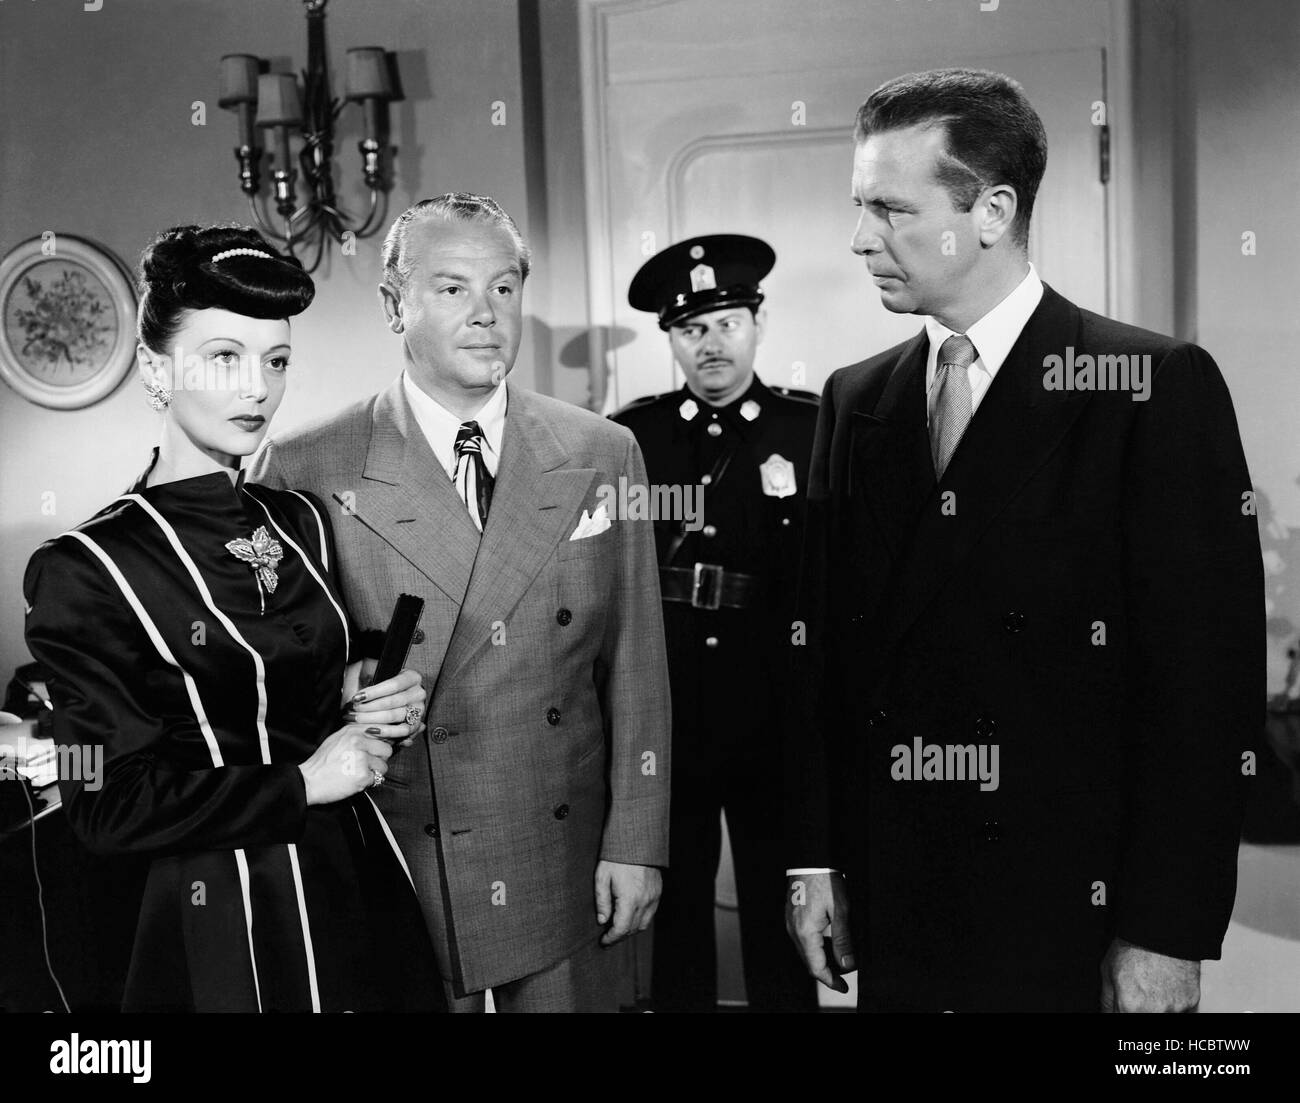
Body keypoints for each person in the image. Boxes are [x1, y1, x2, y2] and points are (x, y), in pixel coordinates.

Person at [784, 69, 1264, 1012]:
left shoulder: (1148, 385)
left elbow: (1205, 694)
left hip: (1071, 911)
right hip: (902, 900)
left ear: (993, 209)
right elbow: (821, 659)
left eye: (890, 208)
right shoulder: (855, 397)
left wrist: (1166, 929)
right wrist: (814, 856)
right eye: (858, 206)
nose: (858, 238)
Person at [251, 193, 671, 1013]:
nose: (487, 315)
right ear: (393, 305)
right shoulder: (304, 465)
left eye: (505, 288)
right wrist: (339, 696)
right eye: (451, 289)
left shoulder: (601, 450)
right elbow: (268, 686)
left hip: (567, 862)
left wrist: (637, 841)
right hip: (404, 860)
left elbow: (638, 667)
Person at [23, 225, 444, 1013]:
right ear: (155, 367)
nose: (257, 387)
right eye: (224, 357)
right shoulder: (87, 565)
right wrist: (304, 783)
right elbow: (104, 804)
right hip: (219, 907)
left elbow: (299, 685)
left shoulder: (299, 521)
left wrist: (366, 688)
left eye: (276, 361)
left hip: (351, 874)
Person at [614, 235, 818, 1012]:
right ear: (671, 338)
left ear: (757, 323)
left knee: (782, 901)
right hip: (670, 707)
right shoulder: (634, 437)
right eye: (692, 329)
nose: (711, 344)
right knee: (675, 905)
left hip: (775, 706)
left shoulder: (810, 429)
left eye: (727, 322)